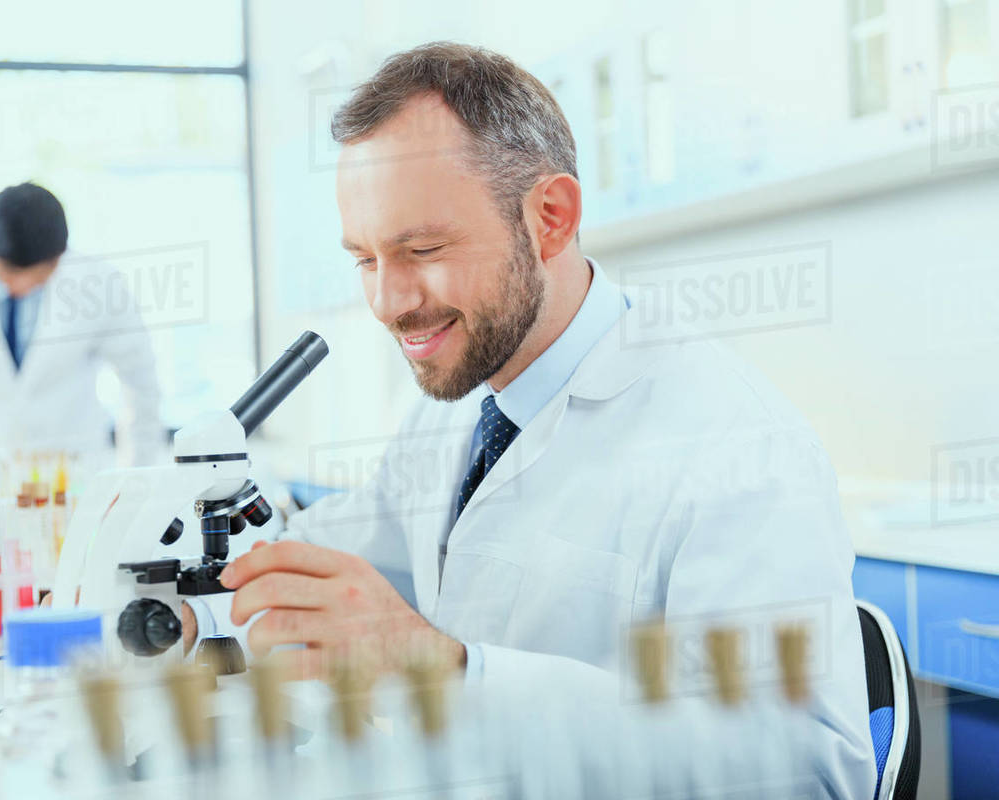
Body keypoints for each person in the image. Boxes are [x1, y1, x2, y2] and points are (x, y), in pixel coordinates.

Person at [199, 43, 872, 795]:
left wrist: (448, 672)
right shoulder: (461, 402)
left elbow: (805, 771)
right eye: (365, 260)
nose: (387, 303)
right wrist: (202, 589)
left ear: (550, 218)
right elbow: (356, 555)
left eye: (422, 248)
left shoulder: (740, 449)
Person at [0, 182, 163, 491]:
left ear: (59, 257)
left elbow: (141, 383)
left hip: (70, 474)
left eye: (37, 277)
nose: (21, 286)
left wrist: (136, 481)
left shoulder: (100, 284)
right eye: (8, 274)